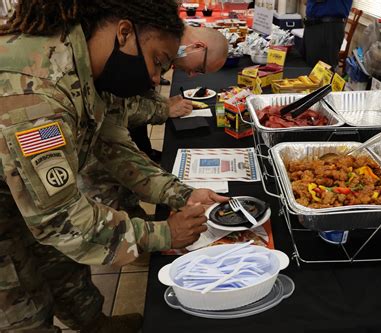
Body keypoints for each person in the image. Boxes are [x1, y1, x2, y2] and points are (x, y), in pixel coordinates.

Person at [0, 1, 227, 332]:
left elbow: (115, 147)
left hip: (20, 188)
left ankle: (94, 325)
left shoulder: (87, 64)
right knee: (21, 309)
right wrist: (163, 232)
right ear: (124, 33)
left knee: (62, 265)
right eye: (157, 61)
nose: (154, 77)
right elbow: (62, 221)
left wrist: (182, 194)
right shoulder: (37, 98)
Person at [129, 25, 229, 162]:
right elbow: (114, 107)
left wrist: (161, 101)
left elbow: (138, 90)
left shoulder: (168, 42)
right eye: (198, 69)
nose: (191, 75)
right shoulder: (149, 38)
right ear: (198, 46)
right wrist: (163, 109)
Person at [303, 0, 353, 69]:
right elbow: (305, 2)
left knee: (324, 70)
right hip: (313, 26)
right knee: (309, 68)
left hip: (327, 27)